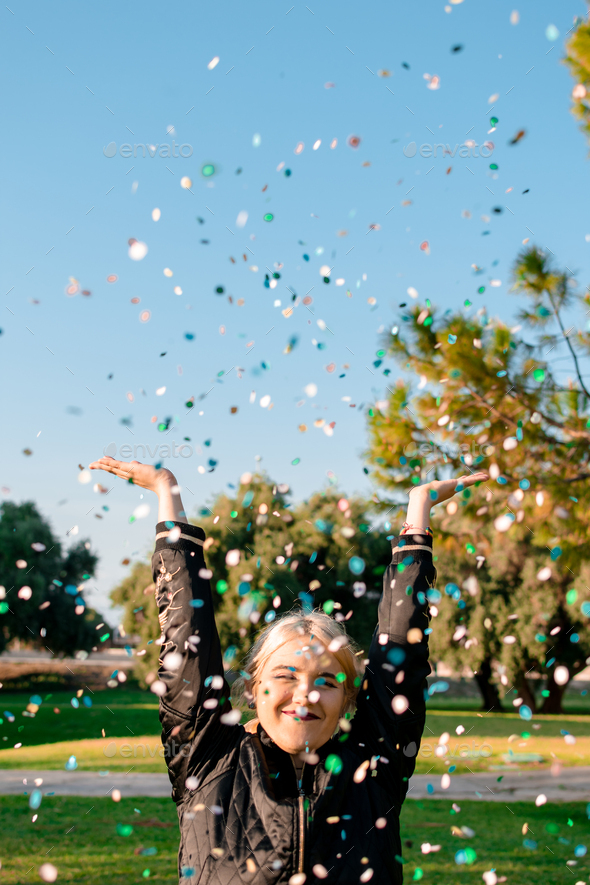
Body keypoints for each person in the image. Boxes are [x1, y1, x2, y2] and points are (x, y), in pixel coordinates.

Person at [89, 456, 488, 884]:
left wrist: (417, 515)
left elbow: (401, 655)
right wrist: (168, 496)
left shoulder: (374, 767)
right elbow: (188, 640)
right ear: (252, 686)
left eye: (327, 681)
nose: (306, 694)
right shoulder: (207, 761)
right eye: (285, 676)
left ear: (348, 699)